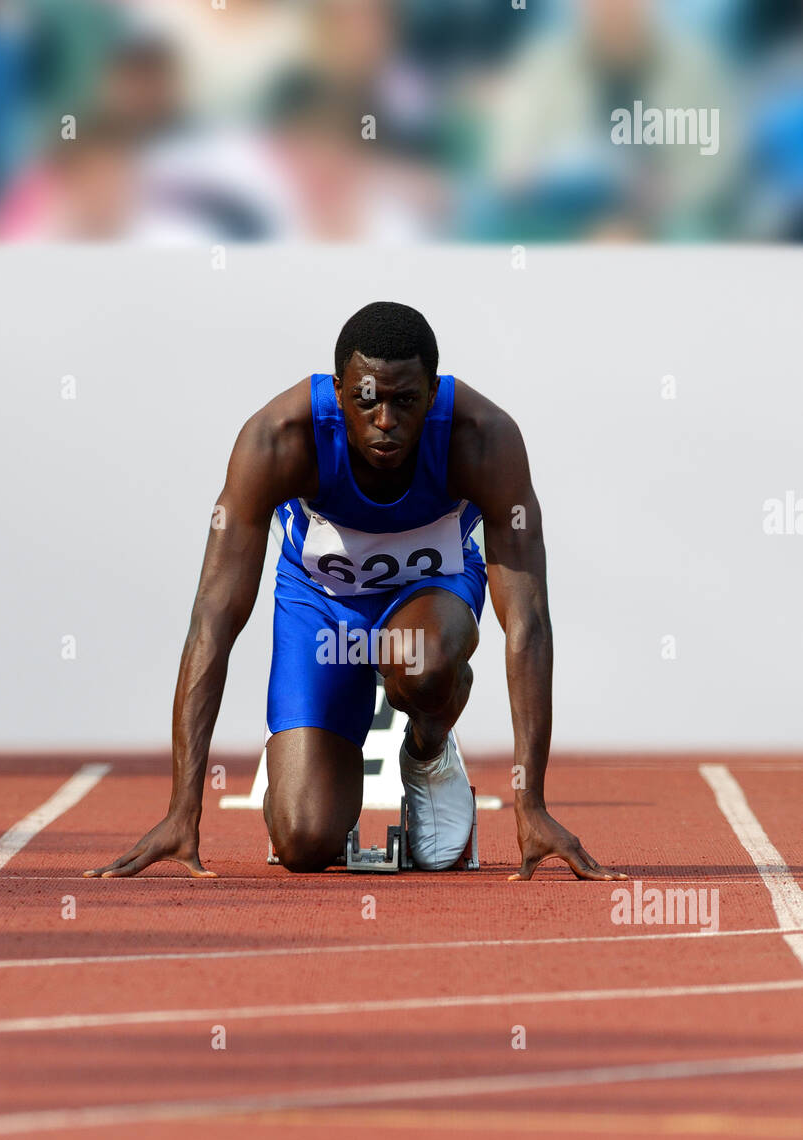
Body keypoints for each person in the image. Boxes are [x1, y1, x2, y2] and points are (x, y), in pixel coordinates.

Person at [85, 301, 625, 881]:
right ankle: (306, 770)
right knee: (304, 842)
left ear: (434, 393)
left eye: (406, 401)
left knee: (420, 664)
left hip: (429, 594)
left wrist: (533, 804)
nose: (386, 420)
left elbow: (528, 623)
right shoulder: (278, 439)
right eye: (367, 400)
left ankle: (427, 748)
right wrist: (181, 810)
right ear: (338, 391)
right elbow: (212, 621)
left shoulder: (484, 439)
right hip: (321, 604)